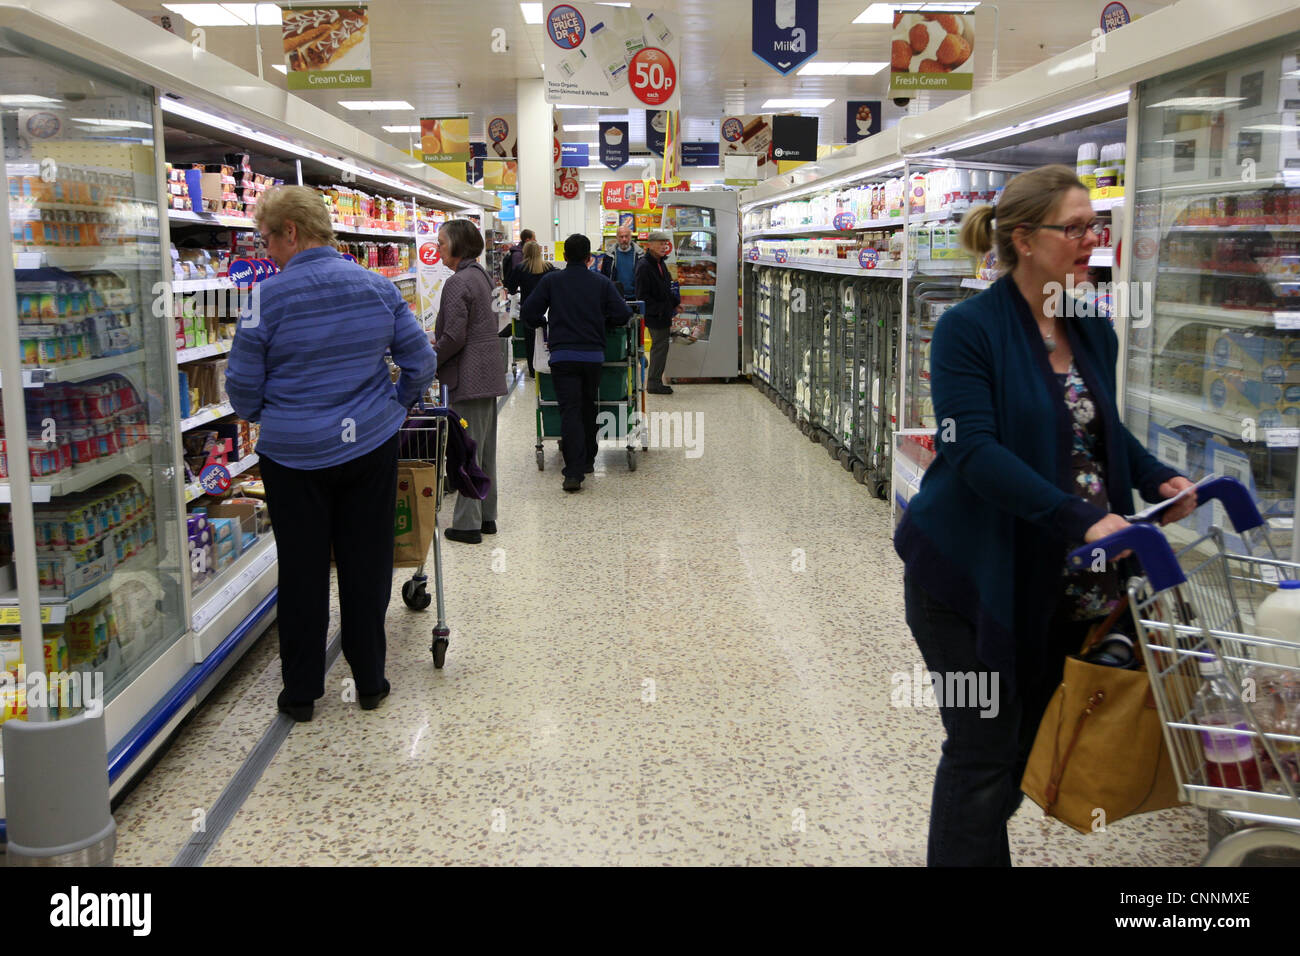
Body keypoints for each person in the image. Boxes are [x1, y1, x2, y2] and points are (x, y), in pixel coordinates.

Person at [892, 165, 1198, 866]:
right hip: (968, 580)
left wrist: (1158, 479)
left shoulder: (1090, 327)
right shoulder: (969, 330)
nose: (1092, 239)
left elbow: (1099, 431)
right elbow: (973, 449)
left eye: (1096, 226)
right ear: (1025, 239)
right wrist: (1078, 517)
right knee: (981, 753)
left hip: (1061, 582)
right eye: (1077, 227)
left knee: (1024, 748)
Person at [226, 185, 436, 722]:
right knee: (366, 564)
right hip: (367, 447)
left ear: (290, 232)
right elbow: (421, 362)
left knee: (302, 569)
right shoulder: (378, 289)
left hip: (292, 457)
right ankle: (370, 681)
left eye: (267, 238)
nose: (265, 250)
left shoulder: (263, 302)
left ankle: (300, 694)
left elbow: (243, 393)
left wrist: (279, 411)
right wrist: (392, 407)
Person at [521, 233, 631, 492]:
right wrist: (605, 322)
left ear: (565, 257)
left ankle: (573, 473)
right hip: (593, 356)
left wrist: (543, 323)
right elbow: (623, 313)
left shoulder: (551, 281)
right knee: (588, 406)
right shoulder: (601, 282)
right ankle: (589, 460)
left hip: (562, 356)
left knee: (569, 410)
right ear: (589, 258)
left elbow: (528, 311)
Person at [434, 218, 507, 544]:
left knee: (465, 452)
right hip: (488, 373)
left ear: (457, 246)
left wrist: (429, 360)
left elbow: (453, 336)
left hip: (468, 376)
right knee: (484, 449)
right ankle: (486, 516)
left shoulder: (457, 283)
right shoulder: (482, 276)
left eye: (441, 243)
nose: (437, 249)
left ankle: (466, 525)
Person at [634, 230, 682, 394]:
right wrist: (663, 309)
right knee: (659, 348)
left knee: (661, 347)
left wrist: (675, 303)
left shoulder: (659, 263)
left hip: (663, 312)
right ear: (650, 245)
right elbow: (642, 296)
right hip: (656, 315)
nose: (664, 246)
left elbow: (665, 288)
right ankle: (654, 383)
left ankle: (655, 381)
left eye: (666, 243)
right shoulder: (644, 266)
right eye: (661, 243)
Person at [503, 240, 554, 377]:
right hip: (547, 310)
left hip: (528, 309)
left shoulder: (521, 268)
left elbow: (512, 288)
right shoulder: (549, 267)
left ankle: (533, 370)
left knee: (530, 341)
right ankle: (549, 366)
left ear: (525, 252)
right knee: (547, 340)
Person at [599, 224, 643, 298]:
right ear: (617, 238)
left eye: (626, 236)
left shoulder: (640, 255)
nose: (624, 239)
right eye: (621, 237)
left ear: (631, 237)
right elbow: (604, 277)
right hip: (615, 297)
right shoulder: (609, 256)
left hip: (636, 298)